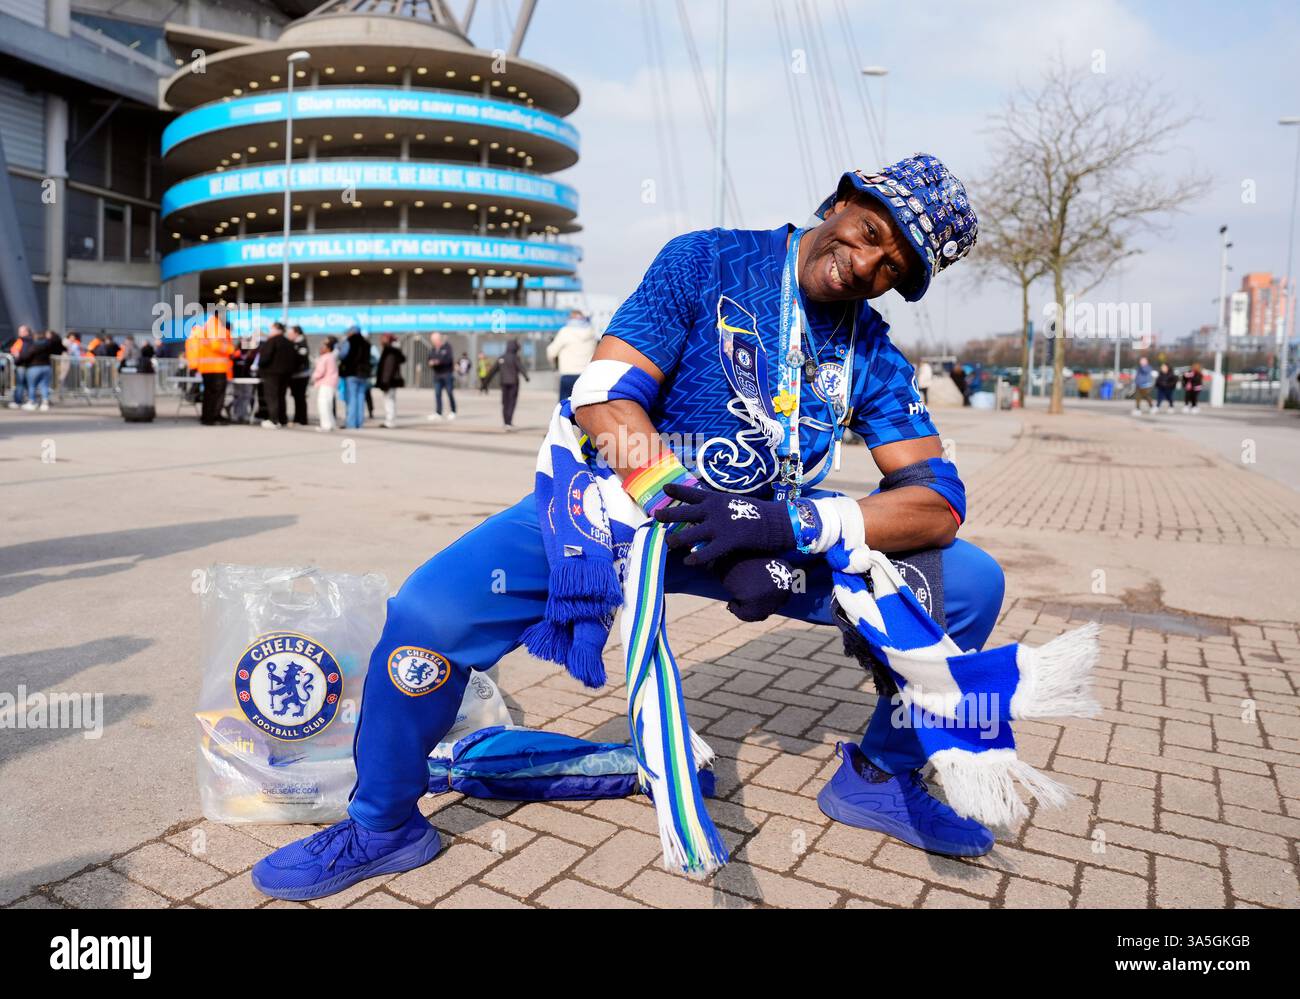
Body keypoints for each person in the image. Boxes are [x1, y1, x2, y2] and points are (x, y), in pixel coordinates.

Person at [252, 153, 1013, 902]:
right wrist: (686, 505)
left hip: (757, 532)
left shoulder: (870, 350)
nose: (866, 261)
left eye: (892, 263)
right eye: (870, 227)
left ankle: (877, 775)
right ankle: (384, 824)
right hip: (615, 510)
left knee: (972, 581)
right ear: (840, 201)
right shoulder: (706, 260)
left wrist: (786, 522)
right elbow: (607, 400)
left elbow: (936, 502)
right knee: (426, 616)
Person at [185, 313, 234, 426]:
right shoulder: (215, 327)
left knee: (208, 394)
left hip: (207, 367)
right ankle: (215, 416)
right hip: (217, 368)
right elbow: (216, 345)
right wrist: (231, 349)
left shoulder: (206, 328)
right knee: (217, 394)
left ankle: (207, 417)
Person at [546, 309, 598, 401]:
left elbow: (551, 352)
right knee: (582, 406)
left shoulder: (565, 332)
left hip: (568, 374)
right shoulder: (591, 333)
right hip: (586, 376)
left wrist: (553, 365)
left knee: (565, 406)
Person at [257, 322, 297, 429]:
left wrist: (260, 367)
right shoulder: (289, 342)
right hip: (286, 374)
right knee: (281, 396)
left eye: (271, 328)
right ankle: (282, 419)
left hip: (271, 373)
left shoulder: (272, 341)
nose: (270, 330)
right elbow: (294, 359)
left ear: (277, 329)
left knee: (272, 396)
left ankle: (273, 420)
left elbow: (264, 358)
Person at [487, 338, 529, 430]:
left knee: (505, 402)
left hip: (504, 383)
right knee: (511, 402)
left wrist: (485, 383)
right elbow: (520, 367)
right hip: (514, 383)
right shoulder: (515, 358)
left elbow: (492, 371)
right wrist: (526, 376)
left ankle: (506, 422)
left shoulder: (501, 357)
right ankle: (508, 422)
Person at [337, 324, 371, 429]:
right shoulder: (366, 344)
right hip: (363, 374)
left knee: (351, 399)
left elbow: (342, 355)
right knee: (360, 398)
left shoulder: (349, 341)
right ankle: (359, 423)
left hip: (351, 373)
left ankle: (351, 423)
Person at [18, 328, 62, 411]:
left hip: (34, 367)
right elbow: (58, 350)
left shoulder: (33, 346)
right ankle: (45, 403)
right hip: (47, 367)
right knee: (44, 386)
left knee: (32, 386)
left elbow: (26, 356)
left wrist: (18, 360)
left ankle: (32, 402)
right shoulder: (48, 346)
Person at [375, 333, 406, 429]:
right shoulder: (391, 351)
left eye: (383, 339)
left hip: (390, 381)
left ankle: (390, 420)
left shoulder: (390, 352)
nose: (381, 341)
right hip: (391, 380)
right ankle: (390, 419)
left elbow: (388, 368)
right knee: (389, 400)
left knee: (389, 401)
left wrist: (385, 382)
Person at [311, 336, 340, 432]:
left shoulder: (325, 358)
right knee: (329, 404)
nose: (321, 349)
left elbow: (320, 371)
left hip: (325, 383)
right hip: (331, 383)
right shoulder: (332, 357)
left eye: (323, 347)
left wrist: (313, 377)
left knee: (323, 404)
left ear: (328, 348)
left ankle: (326, 425)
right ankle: (331, 424)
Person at [426, 332, 457, 421]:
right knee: (437, 394)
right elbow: (429, 358)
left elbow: (448, 359)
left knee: (449, 393)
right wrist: (432, 362)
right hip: (437, 375)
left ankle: (453, 411)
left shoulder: (447, 347)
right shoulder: (433, 349)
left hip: (447, 374)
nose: (433, 342)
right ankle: (438, 412)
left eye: (434, 340)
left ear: (438, 339)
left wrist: (438, 362)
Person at [288, 326, 311, 426]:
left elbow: (300, 358)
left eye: (291, 333)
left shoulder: (301, 343)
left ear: (296, 333)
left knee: (300, 397)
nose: (289, 335)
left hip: (301, 375)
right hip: (296, 375)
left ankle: (302, 419)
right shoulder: (295, 343)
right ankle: (298, 418)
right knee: (297, 397)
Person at [8, 326, 33, 410]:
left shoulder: (23, 341)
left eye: (21, 331)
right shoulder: (30, 341)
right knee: (27, 384)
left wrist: (17, 358)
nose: (19, 333)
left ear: (26, 332)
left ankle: (18, 401)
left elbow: (16, 351)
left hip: (22, 365)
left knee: (20, 384)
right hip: (27, 365)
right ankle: (29, 400)